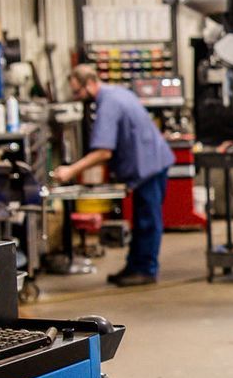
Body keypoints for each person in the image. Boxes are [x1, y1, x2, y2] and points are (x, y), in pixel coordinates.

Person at [53, 65, 177, 285]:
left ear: (89, 83)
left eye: (78, 91)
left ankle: (146, 270)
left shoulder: (108, 104)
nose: (77, 97)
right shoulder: (117, 92)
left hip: (149, 165)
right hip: (149, 161)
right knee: (141, 219)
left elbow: (104, 151)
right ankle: (134, 267)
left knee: (148, 220)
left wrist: (71, 170)